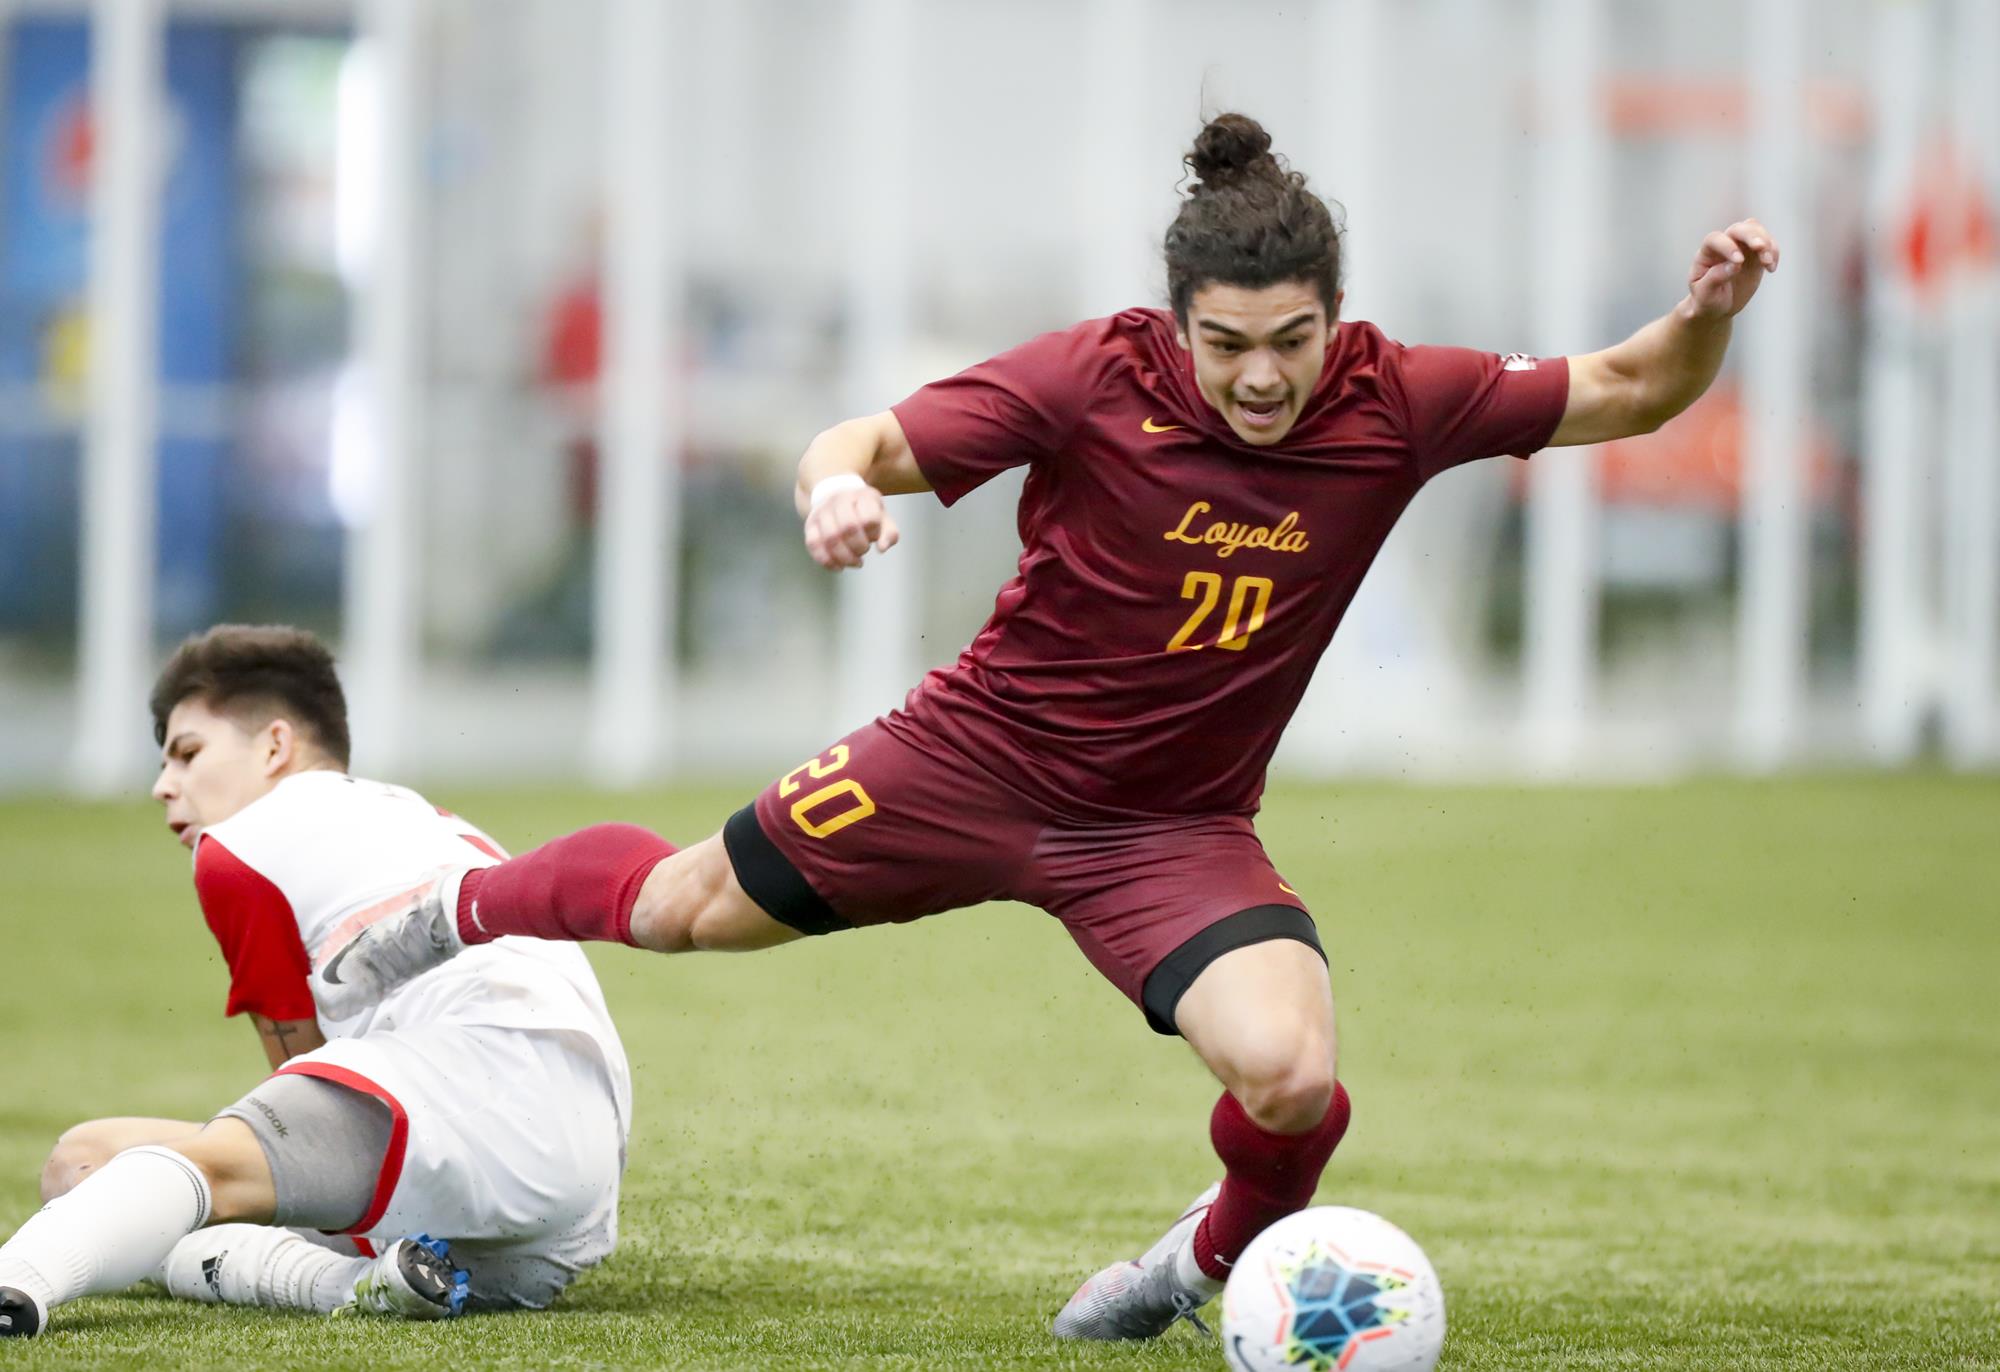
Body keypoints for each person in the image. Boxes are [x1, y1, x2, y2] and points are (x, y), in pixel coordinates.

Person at [315, 112, 1780, 1340]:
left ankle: (1200, 1265)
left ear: (1336, 316)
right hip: (974, 759)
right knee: (683, 909)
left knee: (1293, 1071)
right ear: (1177, 321)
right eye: (1228, 345)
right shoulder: (1095, 373)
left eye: (1291, 340)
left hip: (1170, 833)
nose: (1261, 376)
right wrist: (835, 489)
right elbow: (866, 442)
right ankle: (454, 908)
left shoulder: (1399, 401)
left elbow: (1636, 387)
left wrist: (1704, 314)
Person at [0, 626, 632, 1339]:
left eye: (187, 753)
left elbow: (293, 1075)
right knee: (94, 1158)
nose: (162, 786)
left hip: (473, 1093)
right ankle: (388, 1282)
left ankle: (17, 1281)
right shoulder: (409, 813)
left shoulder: (237, 847)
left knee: (136, 1177)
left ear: (274, 746)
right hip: (567, 1206)